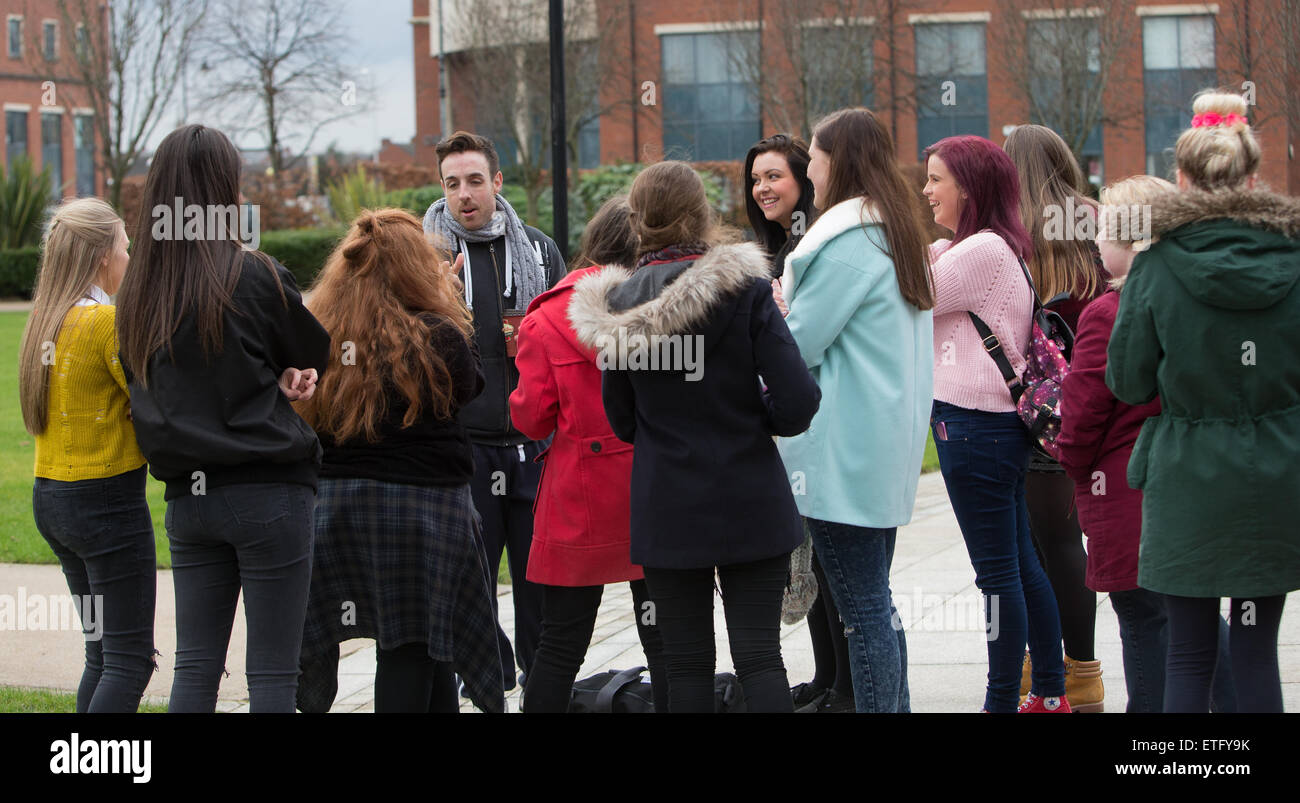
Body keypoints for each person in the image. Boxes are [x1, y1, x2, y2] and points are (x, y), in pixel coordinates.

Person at [568, 161, 821, 712]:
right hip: (751, 491)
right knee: (760, 656)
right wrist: (757, 417)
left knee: (684, 663)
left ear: (639, 222)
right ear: (702, 215)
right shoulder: (748, 291)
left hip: (669, 503)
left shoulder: (618, 306)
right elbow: (799, 402)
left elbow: (623, 419)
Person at [115, 124, 330, 713]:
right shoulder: (253, 273)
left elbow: (175, 378)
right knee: (271, 677)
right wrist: (284, 374)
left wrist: (272, 376)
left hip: (189, 500)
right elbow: (314, 349)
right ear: (223, 190)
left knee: (195, 669)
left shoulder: (136, 292)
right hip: (267, 491)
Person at [1106, 91, 1299, 713]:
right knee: (1254, 652)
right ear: (1253, 175)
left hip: (1187, 480)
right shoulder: (1294, 260)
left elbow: (1129, 382)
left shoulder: (1157, 267)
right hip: (1275, 474)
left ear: (1182, 179)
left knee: (1188, 654)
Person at [293, 209, 504, 714]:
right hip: (421, 515)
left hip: (337, 513)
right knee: (410, 647)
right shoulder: (438, 334)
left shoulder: (324, 333)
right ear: (416, 267)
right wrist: (450, 303)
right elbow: (470, 384)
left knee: (426, 648)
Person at [775, 108, 934, 714]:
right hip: (877, 445)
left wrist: (780, 308)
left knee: (862, 611)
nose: (807, 166)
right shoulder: (892, 230)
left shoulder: (845, 240)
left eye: (812, 154)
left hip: (840, 453)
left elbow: (800, 345)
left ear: (835, 160)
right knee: (876, 604)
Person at [1059, 175, 1237, 713]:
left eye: (1106, 231)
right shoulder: (1206, 301)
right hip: (1195, 488)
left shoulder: (1109, 314)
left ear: (1138, 240)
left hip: (1126, 489)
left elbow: (1083, 415)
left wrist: (1071, 460)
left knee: (1144, 622)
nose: (1094, 242)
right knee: (1201, 622)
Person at [923, 135, 1070, 713]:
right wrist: (939, 246)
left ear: (970, 186)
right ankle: (1052, 692)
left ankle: (1000, 701)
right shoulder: (999, 246)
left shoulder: (980, 250)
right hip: (996, 427)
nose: (927, 190)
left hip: (972, 427)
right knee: (1020, 565)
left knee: (996, 579)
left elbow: (910, 293)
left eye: (936, 179)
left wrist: (934, 250)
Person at [510, 196, 667, 713]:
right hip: (653, 488)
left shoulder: (548, 318)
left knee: (559, 643)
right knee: (668, 641)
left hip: (578, 498)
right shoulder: (667, 306)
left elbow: (531, 418)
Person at [422, 131, 565, 690]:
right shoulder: (422, 256)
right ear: (442, 187)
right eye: (453, 183)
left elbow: (569, 335)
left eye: (475, 180)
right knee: (471, 580)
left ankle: (544, 678)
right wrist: (433, 298)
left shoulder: (538, 249)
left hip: (533, 443)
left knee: (539, 577)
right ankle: (487, 676)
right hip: (463, 446)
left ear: (497, 182)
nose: (465, 194)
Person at [20, 198, 156, 713]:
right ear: (102, 255)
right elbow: (153, 404)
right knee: (128, 659)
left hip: (52, 498)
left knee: (101, 655)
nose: (129, 256)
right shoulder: (103, 322)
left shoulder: (43, 321)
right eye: (125, 246)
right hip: (104, 502)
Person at [1003, 124, 1110, 711]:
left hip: (1031, 407)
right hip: (1092, 398)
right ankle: (1078, 668)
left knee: (1039, 547)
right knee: (1067, 544)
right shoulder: (1093, 223)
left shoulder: (1013, 235)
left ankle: (1054, 669)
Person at [744, 133, 850, 712]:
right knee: (807, 562)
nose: (762, 188)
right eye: (756, 179)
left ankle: (845, 688)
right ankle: (828, 676)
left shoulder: (813, 247)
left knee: (829, 561)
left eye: (774, 176)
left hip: (818, 423)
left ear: (806, 180)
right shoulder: (772, 248)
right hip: (789, 430)